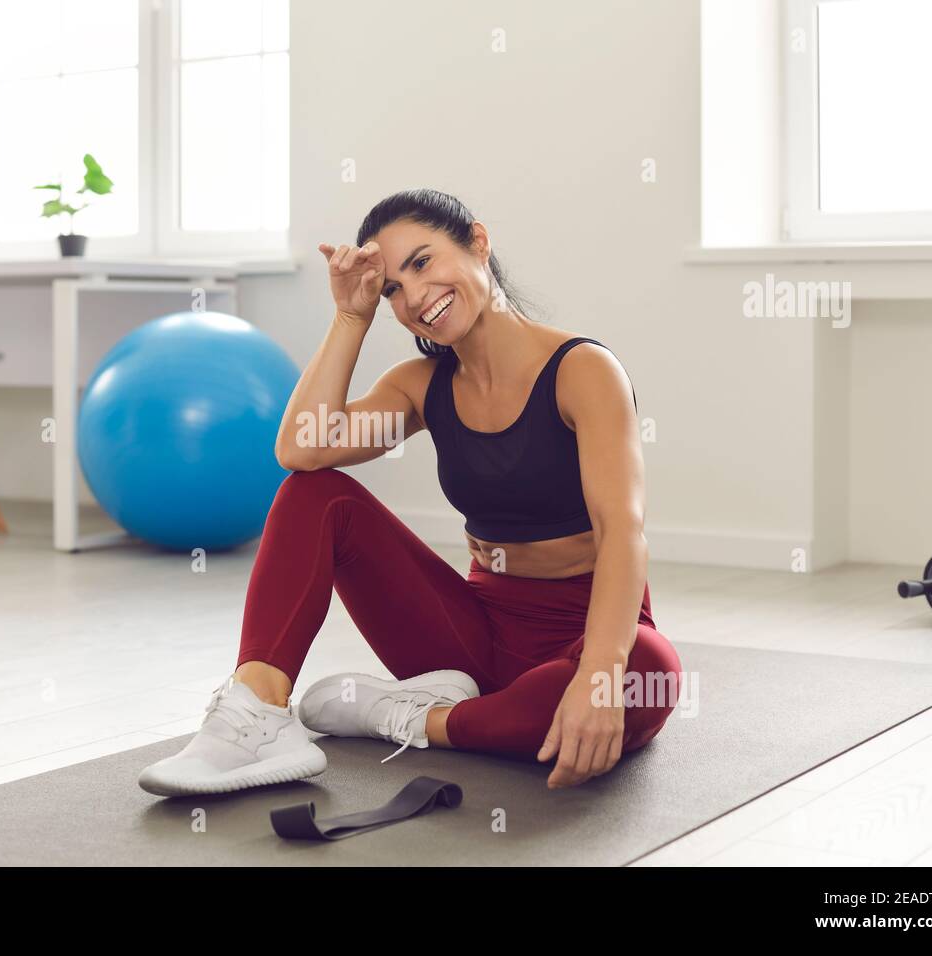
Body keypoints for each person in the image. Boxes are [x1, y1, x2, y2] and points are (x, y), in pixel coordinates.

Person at [138, 188, 682, 796]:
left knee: (647, 673)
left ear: (478, 242)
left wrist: (599, 676)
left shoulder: (583, 370)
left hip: (588, 632)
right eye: (392, 287)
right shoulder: (421, 386)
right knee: (315, 494)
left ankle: (402, 717)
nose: (414, 295)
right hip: (471, 638)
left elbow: (622, 533)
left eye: (422, 262)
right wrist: (351, 317)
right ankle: (258, 710)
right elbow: (301, 450)